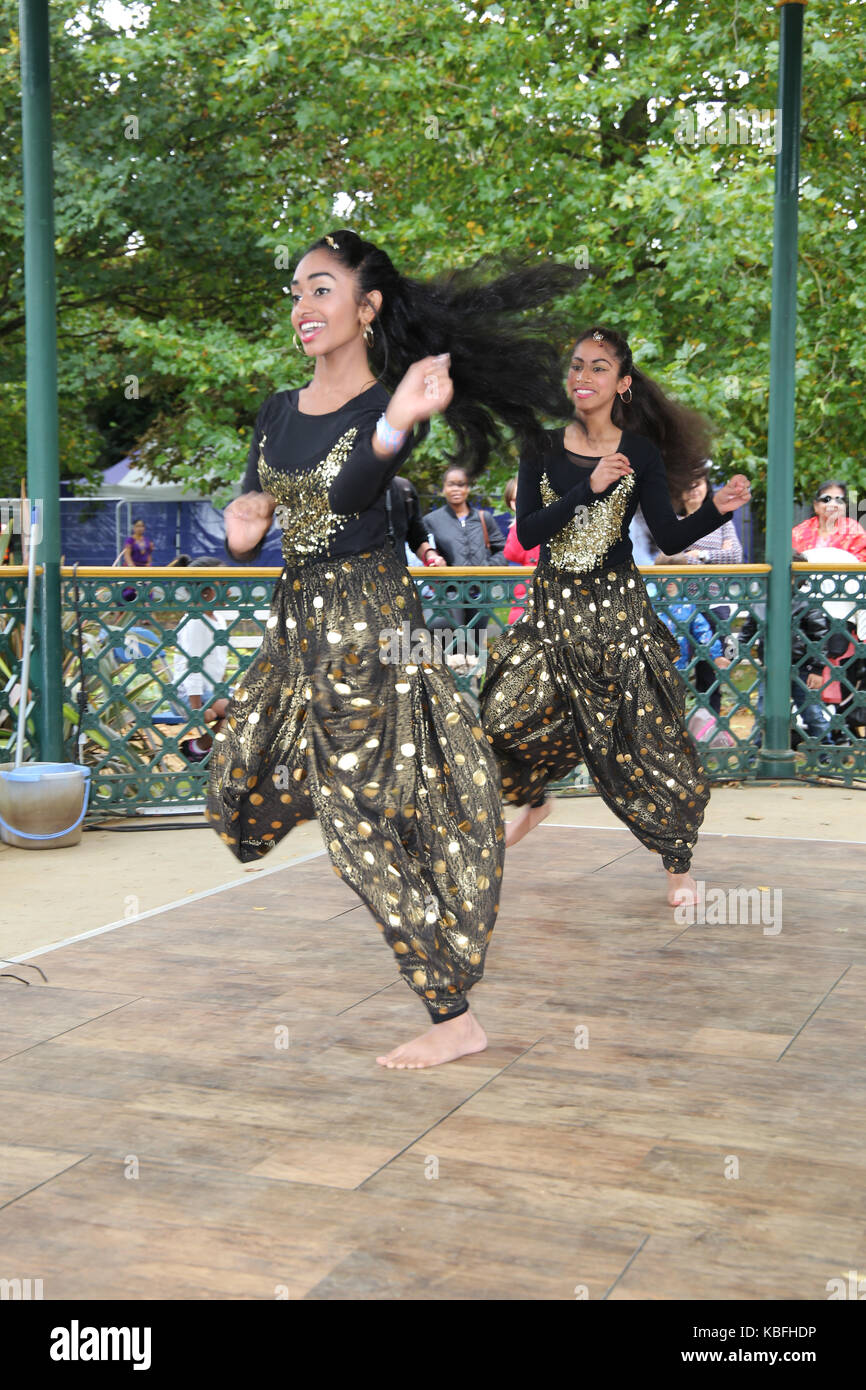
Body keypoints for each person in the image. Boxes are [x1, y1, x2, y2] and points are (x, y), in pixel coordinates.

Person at [206, 228, 580, 1069]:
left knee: (358, 830)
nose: (304, 306)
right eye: (297, 292)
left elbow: (351, 494)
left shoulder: (391, 405)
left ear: (367, 307)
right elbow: (251, 513)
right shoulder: (277, 409)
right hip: (298, 628)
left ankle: (452, 1014)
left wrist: (396, 424)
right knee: (233, 787)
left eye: (322, 289)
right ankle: (474, 790)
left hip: (370, 630)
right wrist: (241, 528)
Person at [479, 323, 752, 909]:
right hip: (553, 607)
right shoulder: (541, 446)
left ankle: (678, 867)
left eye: (599, 367)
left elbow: (670, 534)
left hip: (618, 609)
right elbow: (528, 531)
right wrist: (589, 487)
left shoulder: (640, 451)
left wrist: (715, 510)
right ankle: (535, 800)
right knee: (502, 715)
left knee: (647, 735)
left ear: (622, 383)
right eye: (577, 365)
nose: (583, 376)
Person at [740, 553, 834, 747]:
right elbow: (748, 631)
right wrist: (733, 653)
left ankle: (826, 750)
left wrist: (817, 669)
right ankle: (758, 749)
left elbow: (820, 638)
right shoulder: (761, 601)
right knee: (764, 712)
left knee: (812, 713)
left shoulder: (807, 603)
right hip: (771, 667)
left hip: (802, 667)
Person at [170, 557, 231, 763]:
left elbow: (218, 663)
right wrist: (197, 710)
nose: (229, 591)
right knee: (244, 711)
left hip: (211, 691)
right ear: (206, 589)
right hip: (188, 695)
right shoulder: (195, 621)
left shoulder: (218, 618)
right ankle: (199, 749)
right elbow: (192, 669)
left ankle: (200, 748)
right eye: (223, 584)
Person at [792, 481, 866, 560]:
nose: (833, 504)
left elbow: (862, 559)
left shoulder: (853, 529)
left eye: (839, 500)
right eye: (826, 499)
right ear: (816, 505)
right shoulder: (800, 531)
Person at [384, 475, 446, 568]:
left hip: (395, 573)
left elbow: (417, 539)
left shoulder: (404, 489)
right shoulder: (359, 488)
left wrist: (431, 557)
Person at [502, 475, 539, 624]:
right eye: (515, 500)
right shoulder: (517, 525)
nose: (520, 503)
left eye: (524, 498)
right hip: (525, 589)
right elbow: (512, 553)